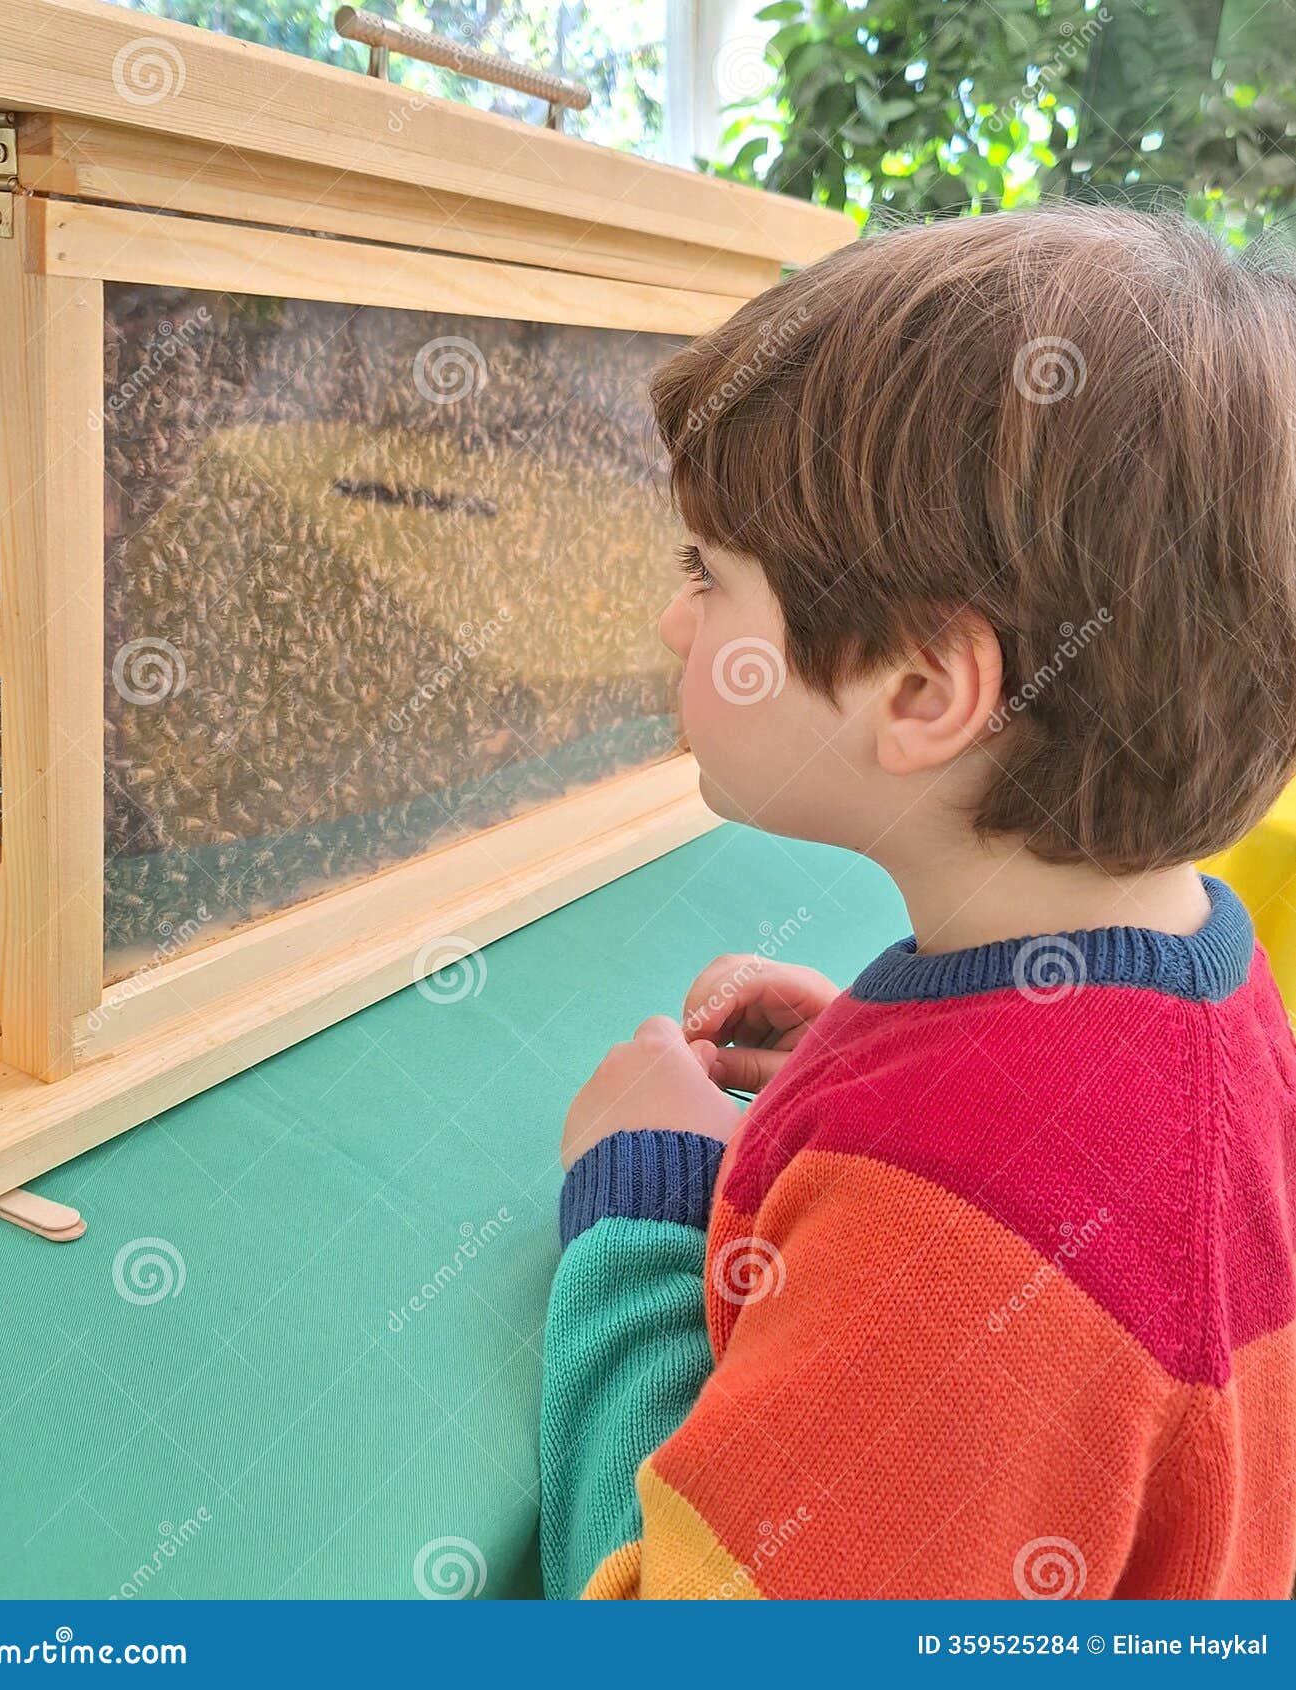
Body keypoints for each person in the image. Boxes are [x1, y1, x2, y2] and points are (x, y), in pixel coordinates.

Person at [540, 206, 1296, 1600]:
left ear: (919, 691)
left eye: (709, 575)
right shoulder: (1222, 984)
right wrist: (872, 1073)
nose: (672, 618)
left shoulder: (961, 1263)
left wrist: (638, 1209)